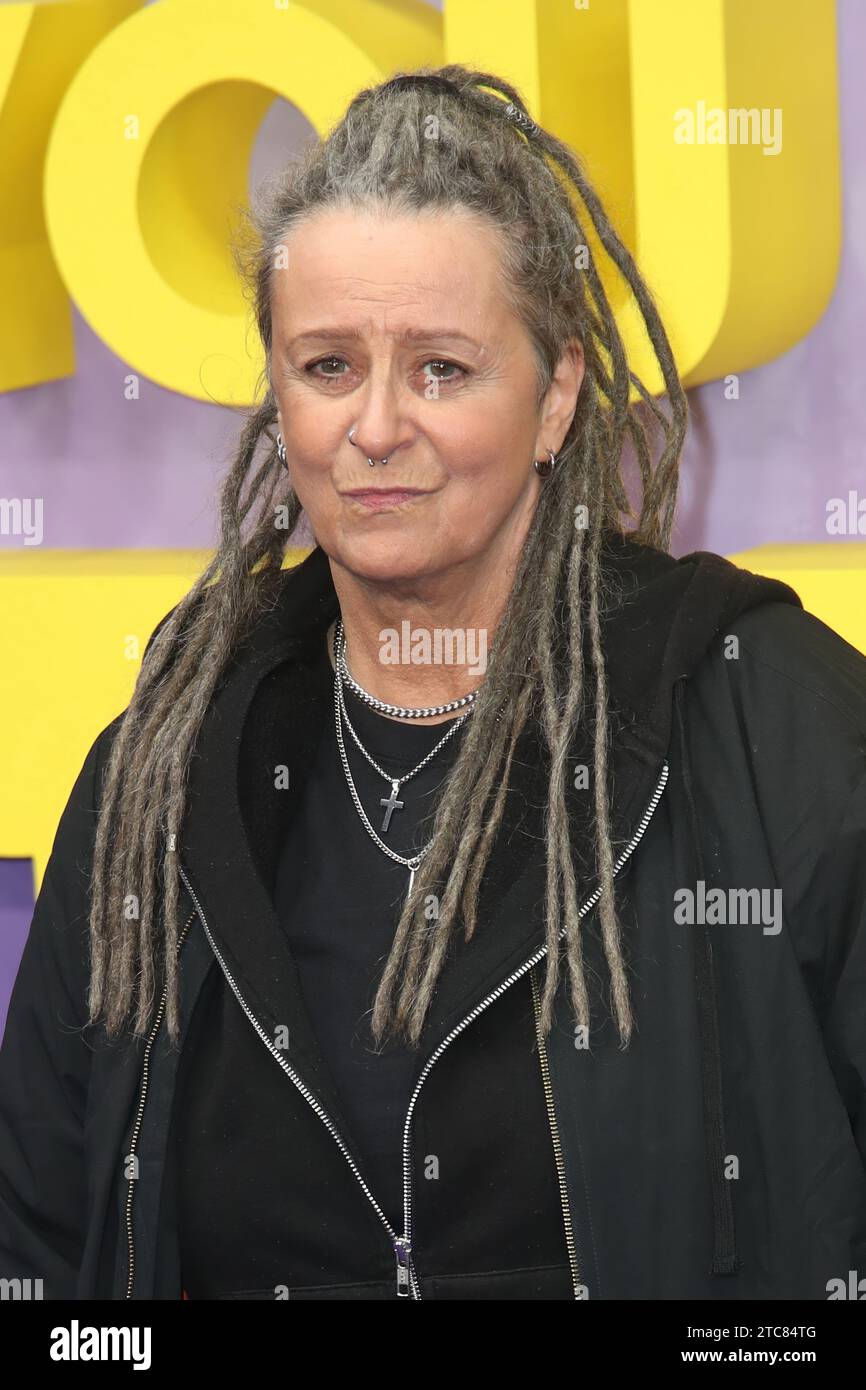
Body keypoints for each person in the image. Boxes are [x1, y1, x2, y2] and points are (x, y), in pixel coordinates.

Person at [1, 64, 864, 1302]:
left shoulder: (760, 715)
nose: (376, 428)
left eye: (442, 369)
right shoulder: (167, 774)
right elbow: (35, 1233)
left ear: (556, 392)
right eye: (328, 365)